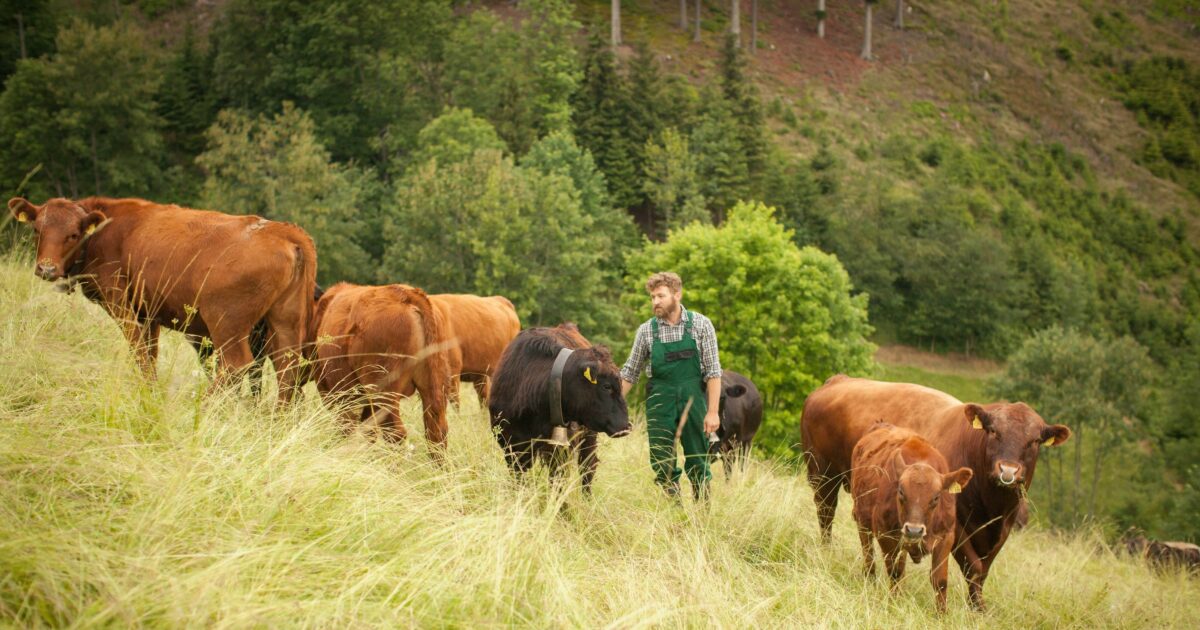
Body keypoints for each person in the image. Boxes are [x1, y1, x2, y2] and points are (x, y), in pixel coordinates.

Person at [620, 272, 722, 501]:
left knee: (698, 457)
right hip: (660, 402)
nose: (655, 302)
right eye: (652, 297)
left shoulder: (701, 325)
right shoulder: (646, 331)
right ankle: (674, 510)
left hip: (693, 400)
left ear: (677, 294)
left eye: (660, 296)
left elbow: (714, 372)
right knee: (661, 459)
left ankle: (701, 512)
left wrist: (713, 412)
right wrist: (613, 406)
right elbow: (630, 373)